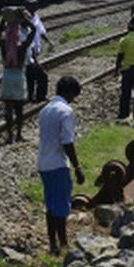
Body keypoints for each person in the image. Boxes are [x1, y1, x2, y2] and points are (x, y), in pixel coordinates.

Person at [36, 75, 86, 255]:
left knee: (51, 205)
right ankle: (63, 244)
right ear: (70, 93)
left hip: (43, 162)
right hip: (58, 163)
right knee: (62, 206)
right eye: (74, 96)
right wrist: (77, 167)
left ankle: (53, 244)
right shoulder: (66, 111)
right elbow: (67, 141)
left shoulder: (45, 110)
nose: (73, 100)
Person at [0, 6, 35, 144]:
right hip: (19, 76)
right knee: (19, 109)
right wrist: (23, 18)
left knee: (8, 108)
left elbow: (0, 30)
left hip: (7, 76)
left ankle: (9, 136)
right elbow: (33, 30)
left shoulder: (4, 45)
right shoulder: (21, 47)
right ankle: (19, 134)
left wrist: (6, 18)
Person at [24, 0, 54, 103]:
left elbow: (40, 31)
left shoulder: (36, 16)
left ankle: (30, 96)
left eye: (35, 5)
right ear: (27, 6)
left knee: (31, 75)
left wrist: (48, 41)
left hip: (35, 50)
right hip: (29, 53)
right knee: (42, 76)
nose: (35, 7)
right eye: (32, 5)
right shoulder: (24, 19)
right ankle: (40, 97)